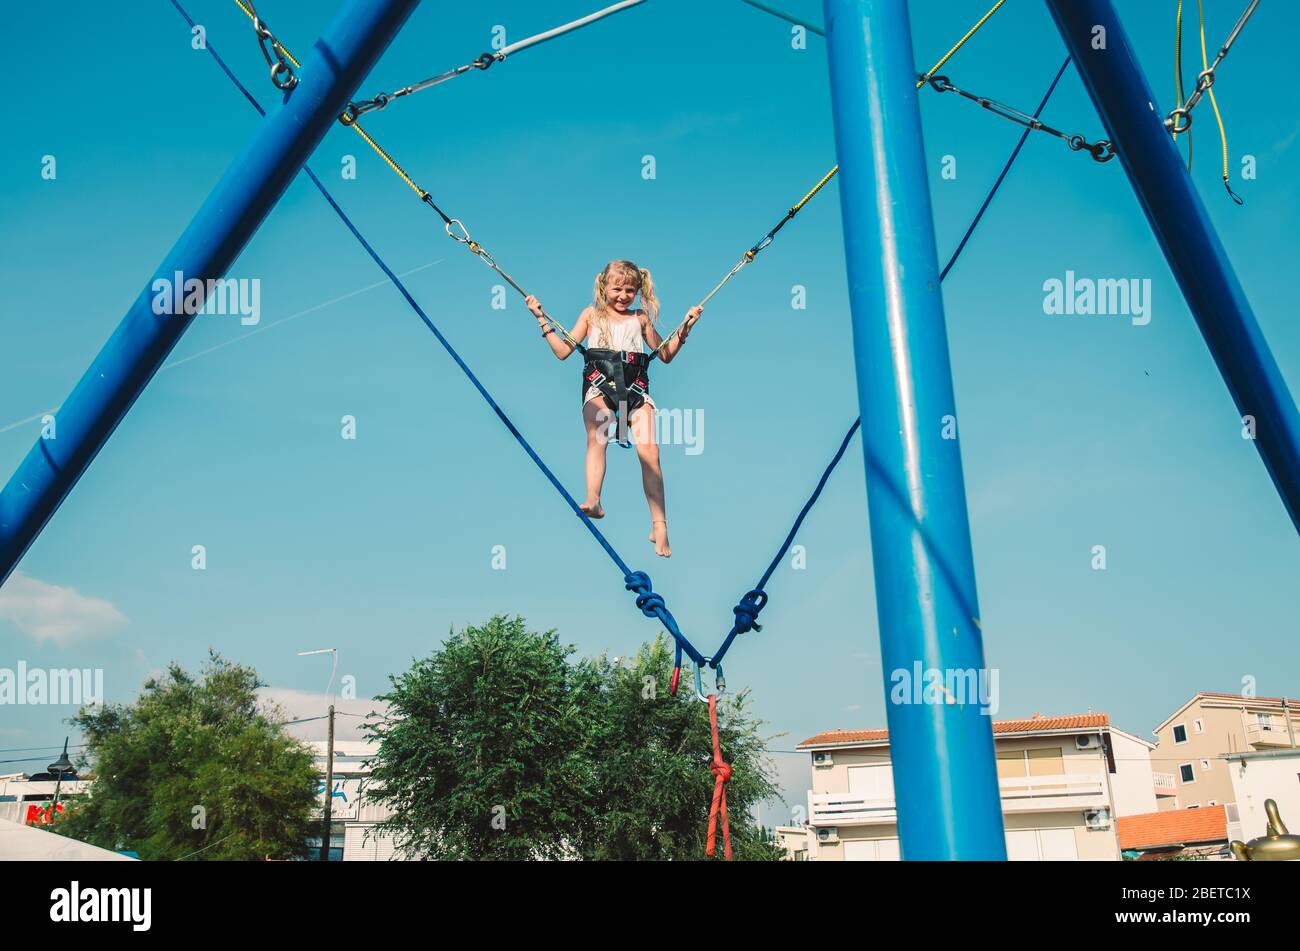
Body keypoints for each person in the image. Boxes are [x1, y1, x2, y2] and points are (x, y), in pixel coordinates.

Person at [526, 259, 701, 557]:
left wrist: (685, 328)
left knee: (650, 453)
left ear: (638, 291)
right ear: (603, 286)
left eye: (630, 290)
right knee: (599, 433)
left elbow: (666, 354)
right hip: (599, 386)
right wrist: (541, 318)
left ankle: (659, 525)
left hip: (636, 391)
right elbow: (562, 351)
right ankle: (594, 499)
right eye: (617, 289)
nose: (623, 296)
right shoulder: (591, 315)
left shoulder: (641, 318)